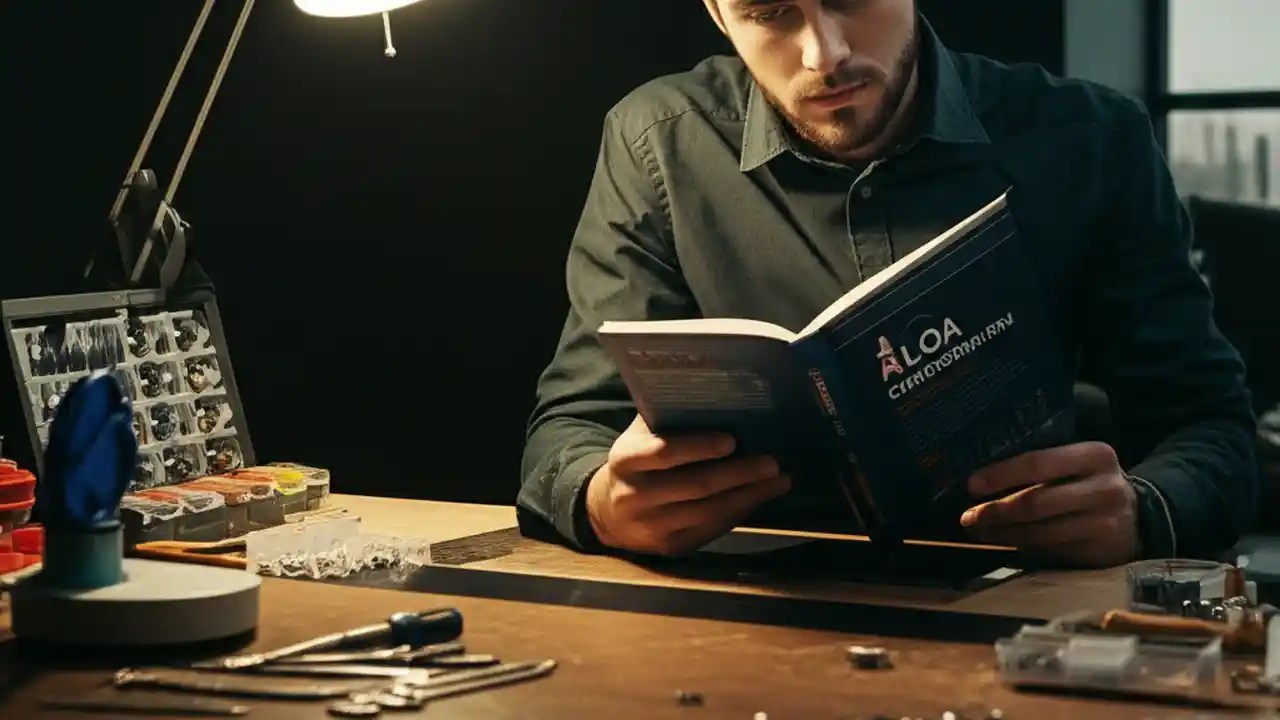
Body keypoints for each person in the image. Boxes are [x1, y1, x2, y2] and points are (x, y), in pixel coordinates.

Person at [516, 0, 1260, 568]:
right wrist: (604, 501)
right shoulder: (658, 140)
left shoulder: (1090, 137)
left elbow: (1215, 429)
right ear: (717, 12)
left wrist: (1142, 509)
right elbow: (567, 429)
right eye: (769, 12)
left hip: (1020, 589)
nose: (824, 54)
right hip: (756, 599)